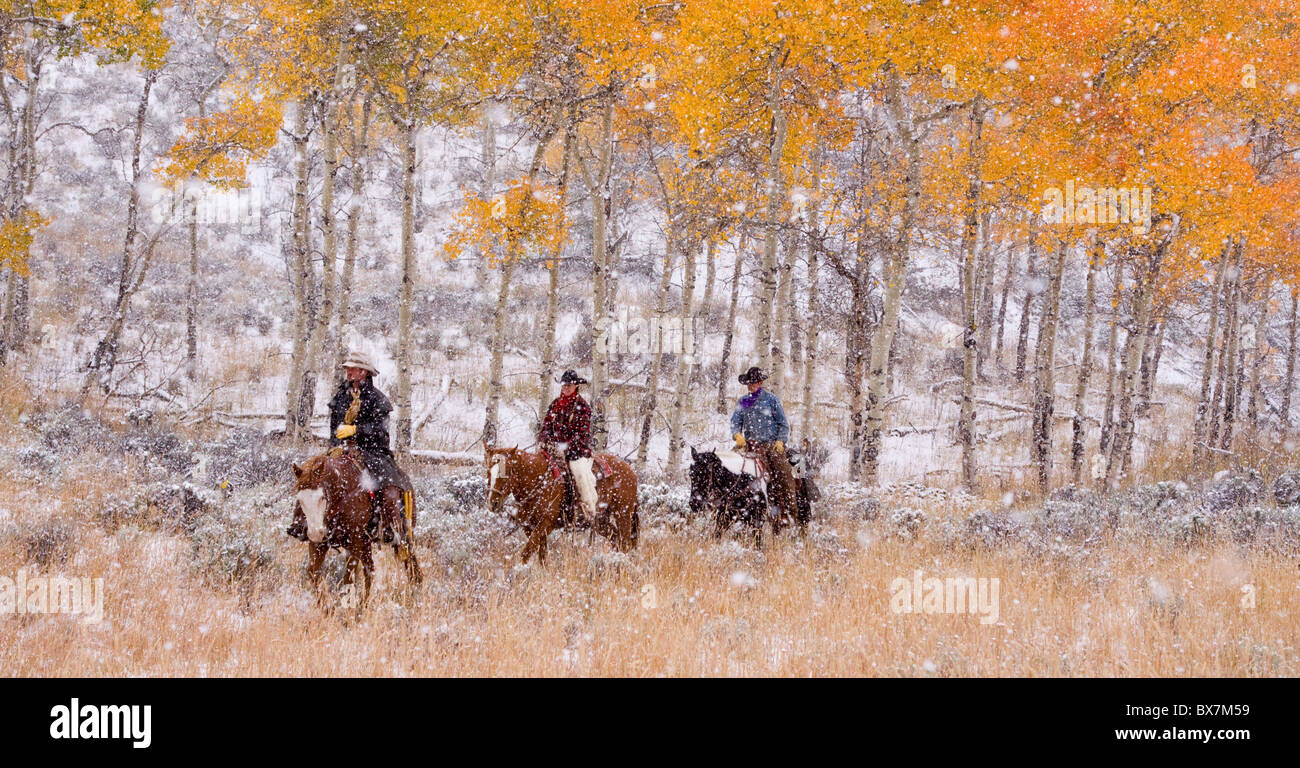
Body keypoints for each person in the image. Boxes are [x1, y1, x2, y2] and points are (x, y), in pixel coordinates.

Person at [287, 350, 412, 542]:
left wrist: (356, 430)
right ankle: (300, 523)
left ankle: (390, 527)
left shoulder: (378, 400)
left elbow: (381, 431)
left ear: (364, 372)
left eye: (353, 368)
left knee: (387, 485)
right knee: (311, 479)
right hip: (341, 450)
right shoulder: (341, 397)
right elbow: (334, 430)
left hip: (373, 451)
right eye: (347, 369)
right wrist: (335, 447)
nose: (348, 372)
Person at [730, 366, 797, 524]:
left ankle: (789, 509)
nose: (750, 386)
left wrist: (780, 441)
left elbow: (783, 424)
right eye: (748, 384)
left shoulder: (772, 400)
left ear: (760, 383)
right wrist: (737, 434)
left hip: (770, 446)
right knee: (729, 467)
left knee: (784, 473)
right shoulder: (744, 401)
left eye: (752, 383)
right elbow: (735, 421)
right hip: (749, 445)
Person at [538, 369, 598, 523]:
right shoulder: (555, 405)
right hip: (553, 450)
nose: (565, 388)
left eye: (569, 385)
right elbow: (546, 426)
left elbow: (582, 435)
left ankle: (588, 508)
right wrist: (544, 439)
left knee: (579, 474)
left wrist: (566, 447)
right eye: (563, 385)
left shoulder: (583, 407)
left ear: (576, 386)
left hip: (575, 452)